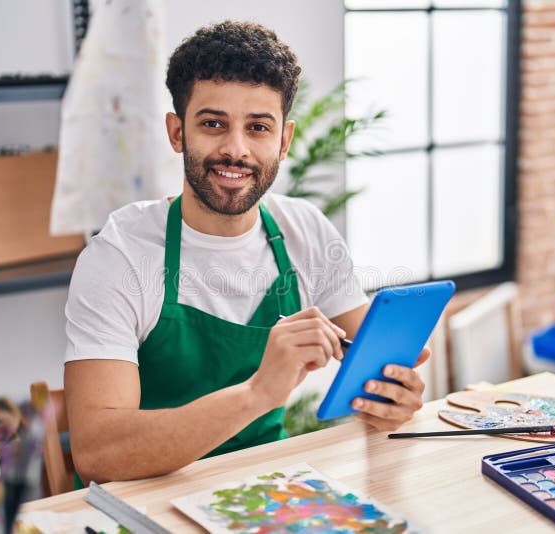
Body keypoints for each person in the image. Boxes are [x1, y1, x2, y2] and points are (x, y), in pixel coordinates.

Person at [64, 20, 430, 485]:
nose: (235, 149)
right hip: (140, 503)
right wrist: (258, 392)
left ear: (284, 140)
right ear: (177, 133)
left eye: (257, 127)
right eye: (213, 124)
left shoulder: (305, 232)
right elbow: (98, 452)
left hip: (263, 491)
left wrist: (393, 396)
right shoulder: (119, 256)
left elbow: (379, 365)